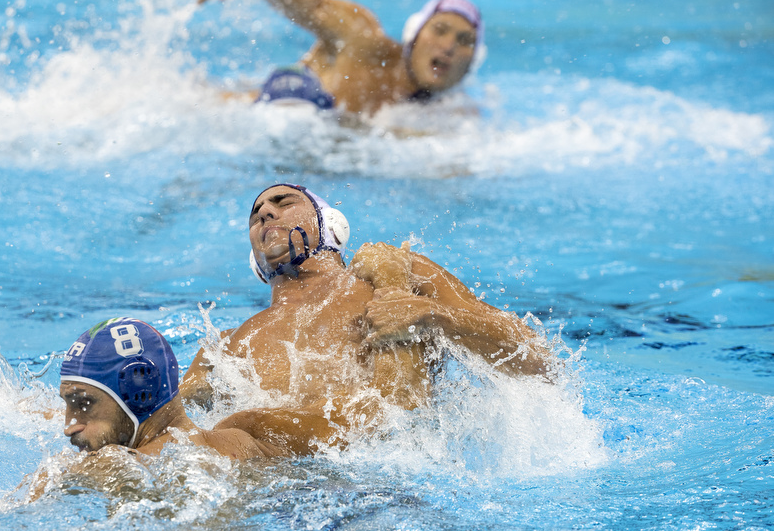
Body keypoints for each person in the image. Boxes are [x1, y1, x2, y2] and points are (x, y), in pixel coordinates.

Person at [179, 183, 552, 454]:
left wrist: (438, 316)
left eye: (283, 202)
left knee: (244, 427)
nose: (265, 212)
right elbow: (172, 425)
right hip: (278, 480)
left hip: (383, 466)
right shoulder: (227, 344)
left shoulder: (398, 272)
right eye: (256, 215)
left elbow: (538, 359)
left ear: (330, 225)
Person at [197, 0, 485, 114]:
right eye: (440, 30)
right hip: (224, 114)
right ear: (414, 35)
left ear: (473, 61)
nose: (448, 47)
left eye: (465, 42)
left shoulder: (452, 116)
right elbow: (314, 5)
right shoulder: (364, 40)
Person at [58, 317, 286, 459]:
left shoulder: (123, 466)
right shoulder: (244, 442)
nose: (68, 426)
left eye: (83, 403)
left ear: (139, 393)